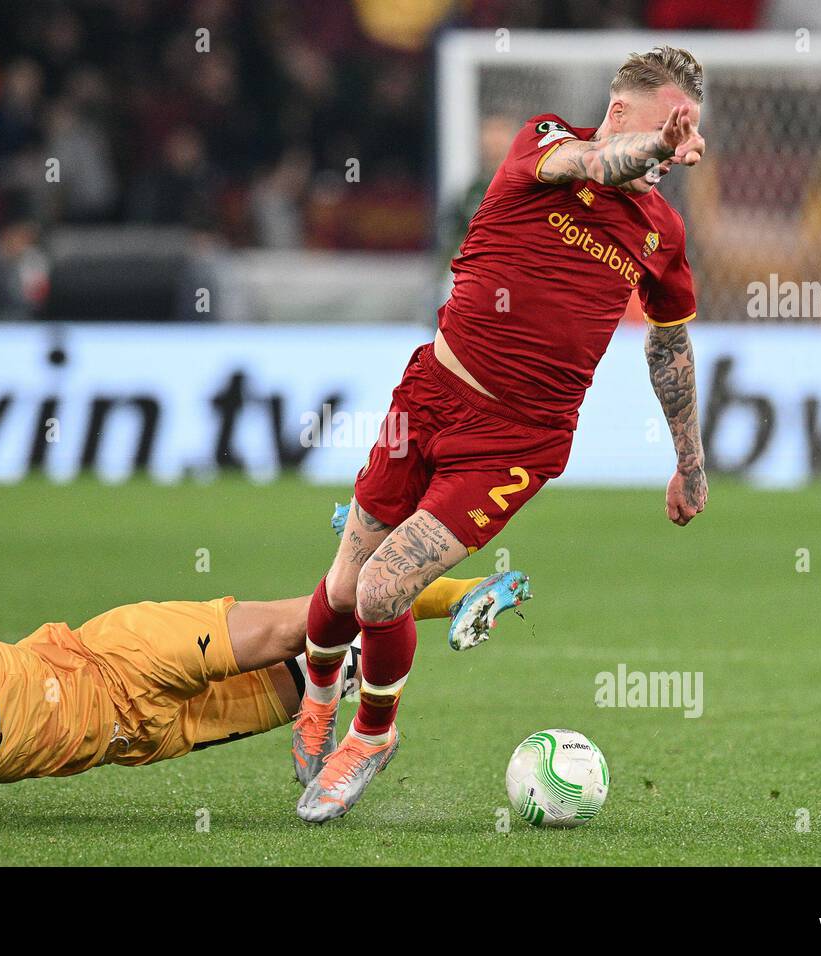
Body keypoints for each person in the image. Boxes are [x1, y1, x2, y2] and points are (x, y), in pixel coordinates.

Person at [294, 46, 709, 823]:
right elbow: (589, 161)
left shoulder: (662, 231)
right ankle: (317, 693)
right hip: (431, 395)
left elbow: (669, 345)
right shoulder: (547, 142)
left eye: (686, 135)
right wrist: (649, 148)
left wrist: (689, 461)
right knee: (343, 589)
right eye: (667, 129)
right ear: (621, 116)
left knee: (384, 590)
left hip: (515, 443)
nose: (676, 150)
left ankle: (372, 737)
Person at [0, 569, 524, 826]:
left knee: (293, 628)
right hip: (137, 735)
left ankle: (456, 589)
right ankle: (365, 641)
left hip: (119, 657)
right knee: (305, 682)